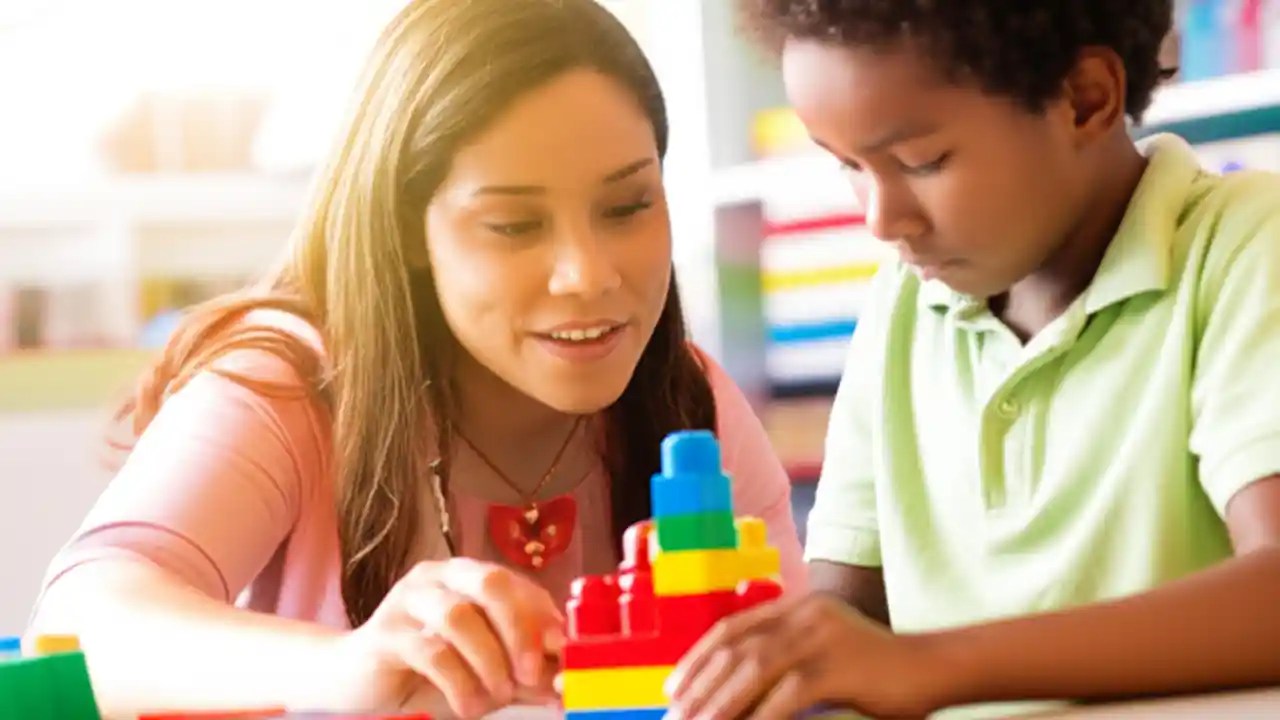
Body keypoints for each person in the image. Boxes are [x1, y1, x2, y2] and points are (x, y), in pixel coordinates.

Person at [27, 1, 806, 718]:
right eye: (512, 225)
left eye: (628, 206)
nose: (589, 275)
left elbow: (790, 672)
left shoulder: (687, 400)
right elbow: (80, 620)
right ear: (407, 230)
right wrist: (345, 664)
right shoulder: (287, 383)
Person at [665, 1, 1280, 719]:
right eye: (849, 167)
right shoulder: (903, 305)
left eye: (922, 161)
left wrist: (931, 665)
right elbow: (843, 622)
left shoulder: (1244, 249)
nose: (880, 219)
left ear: (1085, 100)